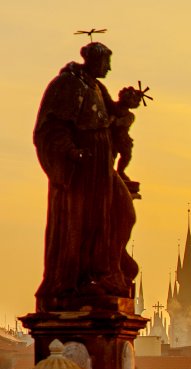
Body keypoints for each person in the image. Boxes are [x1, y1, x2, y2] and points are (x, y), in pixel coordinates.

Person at [33, 41, 139, 309]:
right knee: (80, 223)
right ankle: (75, 281)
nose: (110, 68)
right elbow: (51, 128)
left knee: (123, 213)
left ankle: (107, 270)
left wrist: (126, 105)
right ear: (94, 60)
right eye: (107, 62)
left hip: (102, 168)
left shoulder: (95, 87)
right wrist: (70, 152)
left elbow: (113, 118)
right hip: (82, 173)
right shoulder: (68, 85)